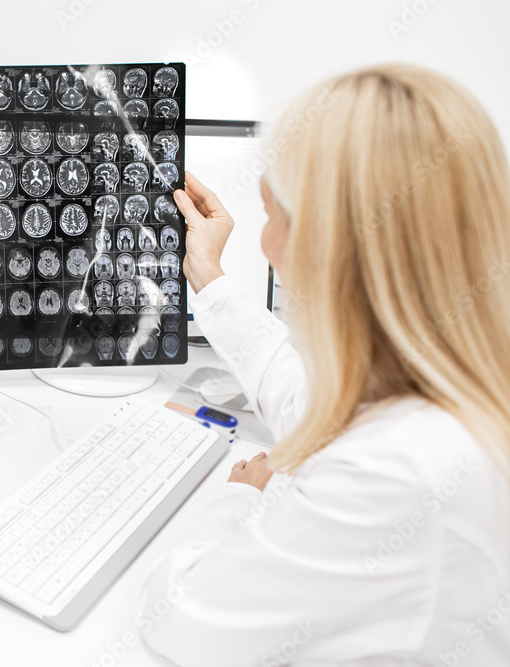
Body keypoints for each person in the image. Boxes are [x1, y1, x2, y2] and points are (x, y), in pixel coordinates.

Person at [142, 64, 510, 665]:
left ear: (341, 243)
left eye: (276, 211)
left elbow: (180, 617)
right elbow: (309, 399)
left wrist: (243, 497)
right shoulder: (457, 381)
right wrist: (207, 276)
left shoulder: (401, 473)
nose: (265, 243)